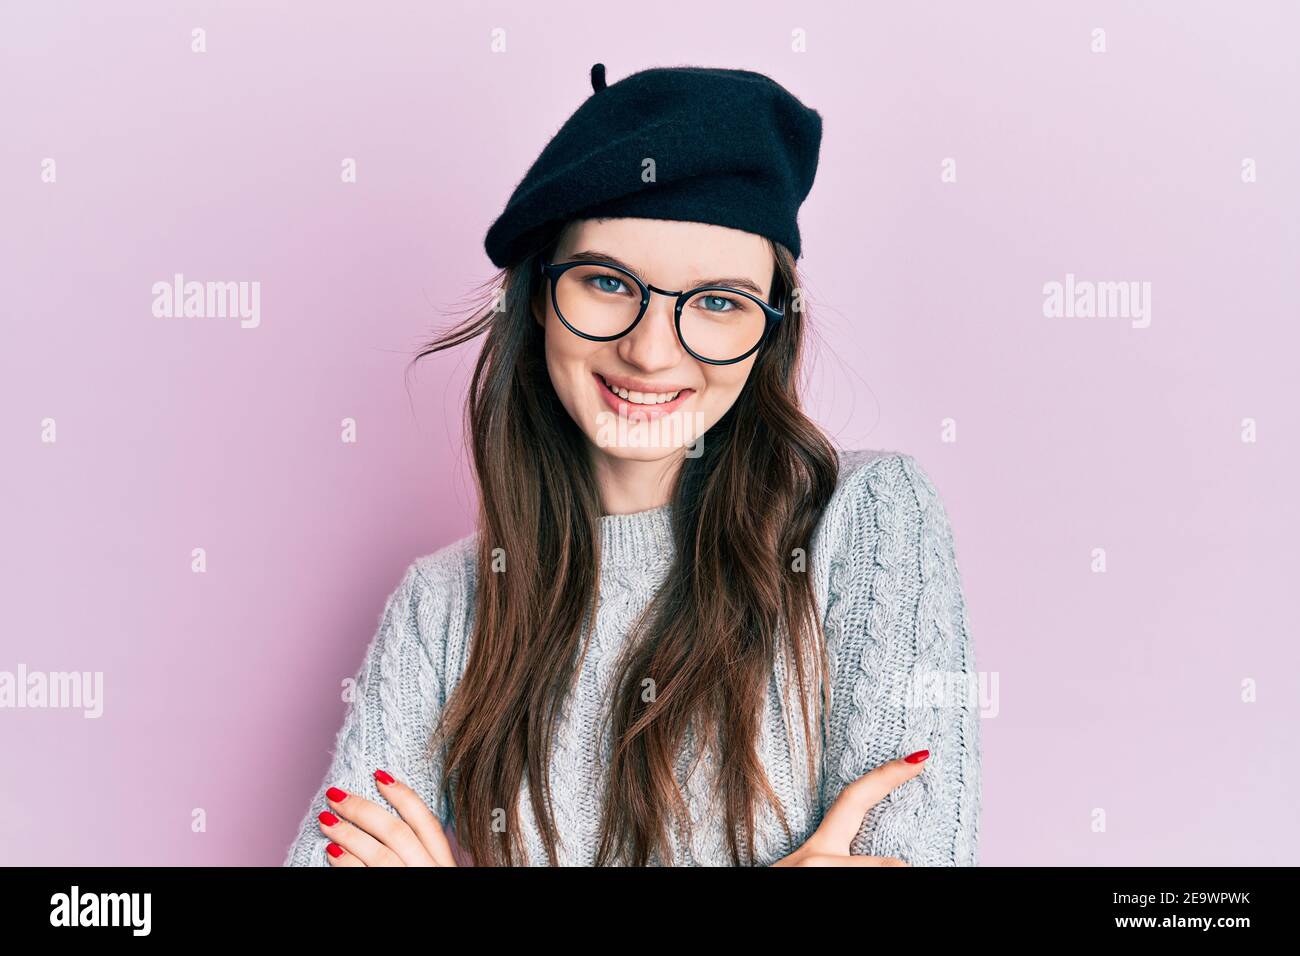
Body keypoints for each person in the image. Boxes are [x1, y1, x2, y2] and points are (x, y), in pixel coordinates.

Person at [283, 62, 981, 867]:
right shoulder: (442, 607)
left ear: (771, 330)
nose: (651, 352)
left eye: (719, 301)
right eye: (609, 283)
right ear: (540, 297)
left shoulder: (868, 522)